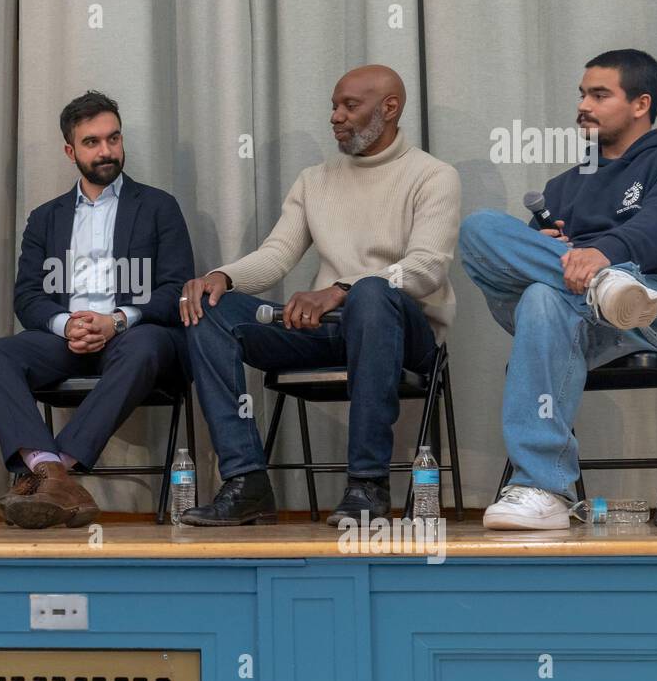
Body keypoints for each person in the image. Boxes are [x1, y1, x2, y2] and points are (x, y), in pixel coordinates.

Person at [179, 65, 460, 526]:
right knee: (209, 310)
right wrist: (222, 277)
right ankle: (246, 481)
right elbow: (277, 255)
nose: (335, 116)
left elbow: (427, 267)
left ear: (389, 108)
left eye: (350, 106)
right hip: (329, 330)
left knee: (371, 291)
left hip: (403, 331)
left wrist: (342, 289)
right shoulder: (315, 180)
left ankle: (367, 485)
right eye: (334, 105)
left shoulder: (434, 176)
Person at [461, 49, 657, 530]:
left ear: (641, 104)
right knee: (481, 230)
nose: (584, 104)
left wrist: (603, 253)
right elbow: (516, 262)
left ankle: (541, 486)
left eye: (600, 95)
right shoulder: (565, 183)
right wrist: (553, 249)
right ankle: (602, 287)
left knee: (546, 295)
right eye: (582, 94)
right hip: (580, 312)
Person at [0, 91, 194, 528]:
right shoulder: (45, 218)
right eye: (92, 142)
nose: (107, 150)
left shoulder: (158, 207)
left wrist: (115, 321)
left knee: (147, 344)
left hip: (133, 336)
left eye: (113, 139)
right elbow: (28, 296)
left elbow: (175, 290)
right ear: (70, 151)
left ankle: (54, 471)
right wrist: (66, 323)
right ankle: (52, 472)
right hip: (66, 339)